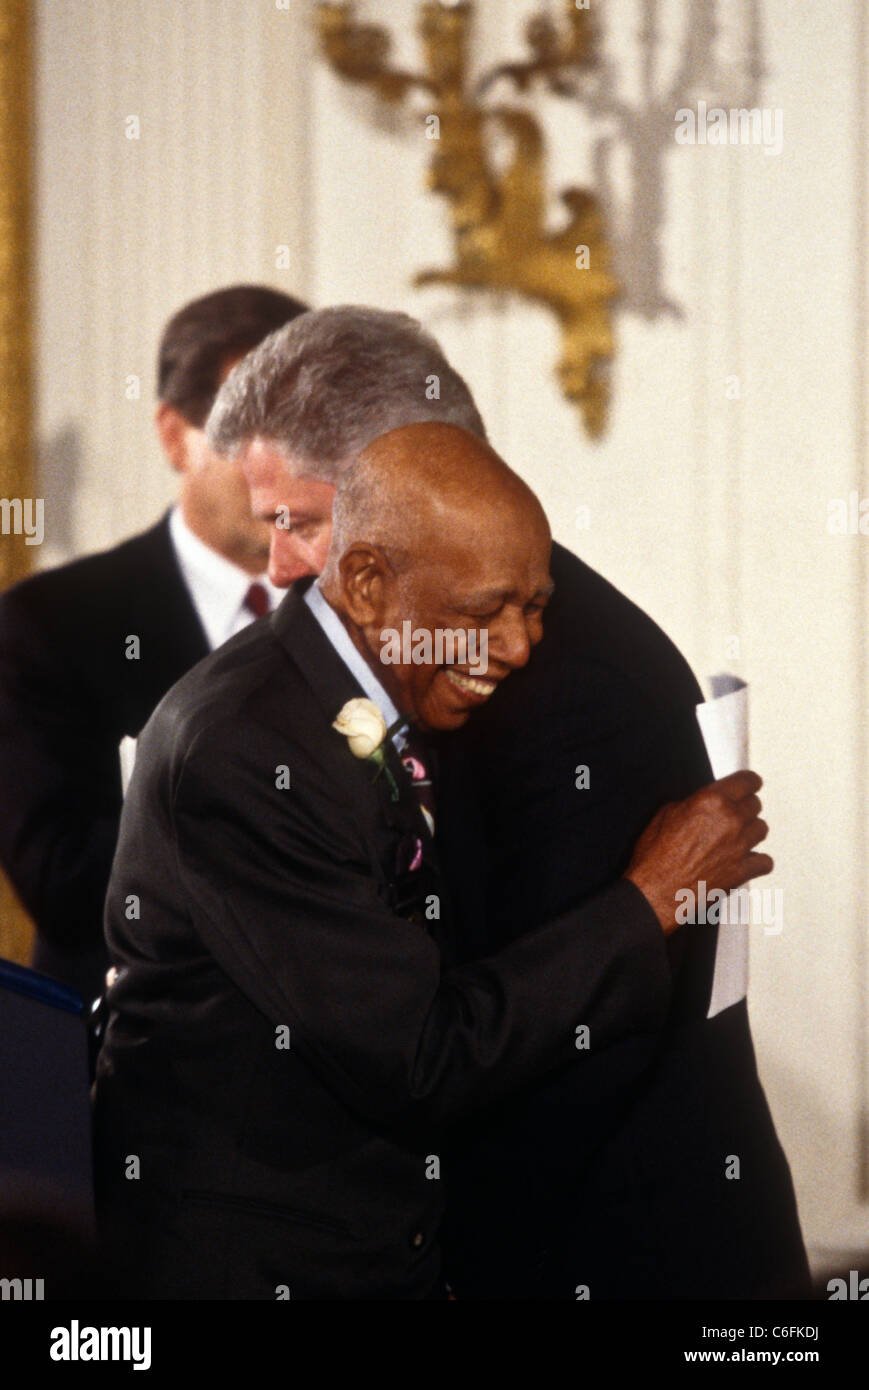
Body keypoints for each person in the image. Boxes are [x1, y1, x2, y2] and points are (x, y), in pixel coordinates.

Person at [205, 304, 809, 1299]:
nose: (274, 567)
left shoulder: (567, 688)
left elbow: (570, 1060)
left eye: (298, 521)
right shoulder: (385, 671)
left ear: (405, 482)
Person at [0, 284, 307, 1003]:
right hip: (126, 1063)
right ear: (174, 435)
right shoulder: (50, 623)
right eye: (248, 435)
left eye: (304, 433)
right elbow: (66, 883)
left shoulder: (366, 609)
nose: (282, 469)